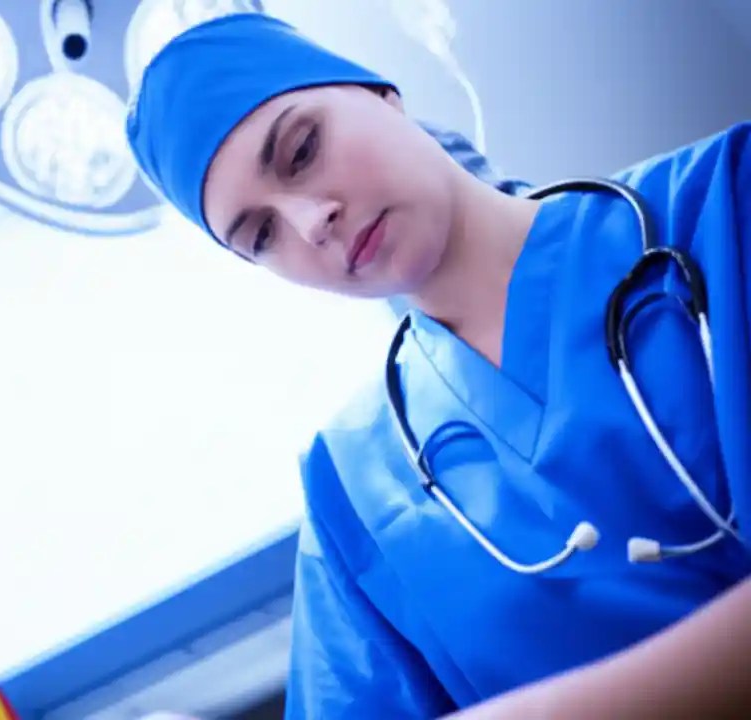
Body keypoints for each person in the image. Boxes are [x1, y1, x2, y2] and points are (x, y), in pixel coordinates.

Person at [126, 12, 751, 720]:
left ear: (379, 93)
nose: (309, 223)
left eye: (301, 151)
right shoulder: (354, 490)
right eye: (262, 235)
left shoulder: (725, 201)